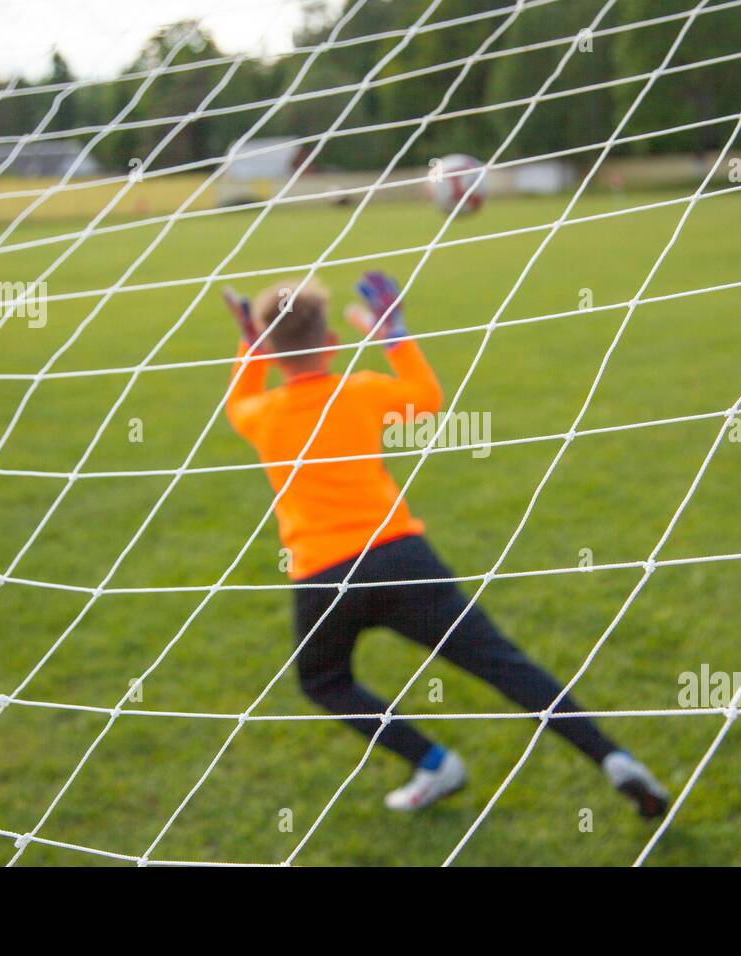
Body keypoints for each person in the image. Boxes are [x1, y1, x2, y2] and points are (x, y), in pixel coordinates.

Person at [223, 272, 670, 816]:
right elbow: (426, 400)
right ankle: (611, 758)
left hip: (324, 577)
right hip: (402, 557)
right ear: (333, 343)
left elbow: (240, 397)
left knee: (324, 680)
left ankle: (432, 760)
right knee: (502, 663)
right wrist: (395, 335)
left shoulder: (261, 416)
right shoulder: (361, 390)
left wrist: (250, 342)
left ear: (271, 353)